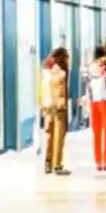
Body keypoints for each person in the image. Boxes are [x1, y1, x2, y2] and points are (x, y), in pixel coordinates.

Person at [85, 45, 106, 170]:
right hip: (105, 101)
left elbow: (88, 86)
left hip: (94, 102)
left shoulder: (90, 68)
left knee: (96, 133)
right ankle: (105, 162)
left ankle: (98, 162)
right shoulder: (105, 67)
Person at [42, 47, 71, 175]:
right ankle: (57, 165)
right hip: (58, 108)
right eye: (67, 57)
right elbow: (61, 92)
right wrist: (62, 103)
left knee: (49, 136)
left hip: (48, 107)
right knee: (59, 137)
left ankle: (48, 164)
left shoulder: (46, 71)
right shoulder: (60, 73)